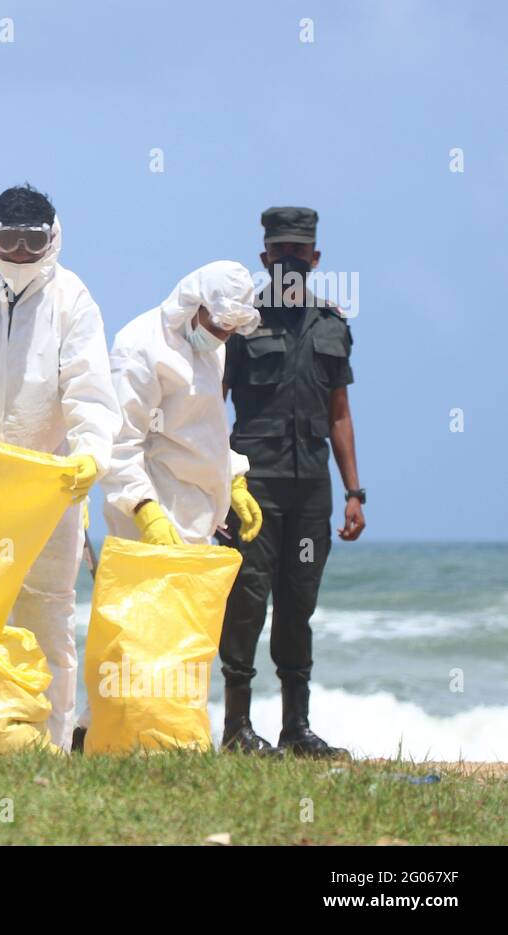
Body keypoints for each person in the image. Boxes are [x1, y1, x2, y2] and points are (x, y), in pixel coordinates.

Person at [0, 185, 119, 752]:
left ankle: (50, 741)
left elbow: (89, 386)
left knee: (48, 616)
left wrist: (91, 452)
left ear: (53, 238)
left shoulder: (71, 298)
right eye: (7, 240)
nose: (19, 253)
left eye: (32, 241)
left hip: (48, 488)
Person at [95, 261, 265, 751]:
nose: (220, 336)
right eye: (216, 326)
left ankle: (164, 737)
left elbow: (208, 427)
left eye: (230, 330)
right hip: (150, 518)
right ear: (194, 307)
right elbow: (121, 442)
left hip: (194, 519)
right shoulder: (140, 347)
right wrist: (144, 509)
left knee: (182, 643)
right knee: (142, 640)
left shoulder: (211, 349)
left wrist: (233, 479)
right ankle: (127, 739)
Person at [219, 207, 363, 758]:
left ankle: (295, 730)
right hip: (252, 489)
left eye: (299, 253)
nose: (289, 262)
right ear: (265, 258)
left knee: (299, 604)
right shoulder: (242, 321)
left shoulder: (332, 324)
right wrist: (216, 488)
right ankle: (237, 729)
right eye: (280, 253)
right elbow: (217, 403)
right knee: (247, 602)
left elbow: (341, 412)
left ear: (315, 258)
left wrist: (354, 492)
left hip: (311, 492)